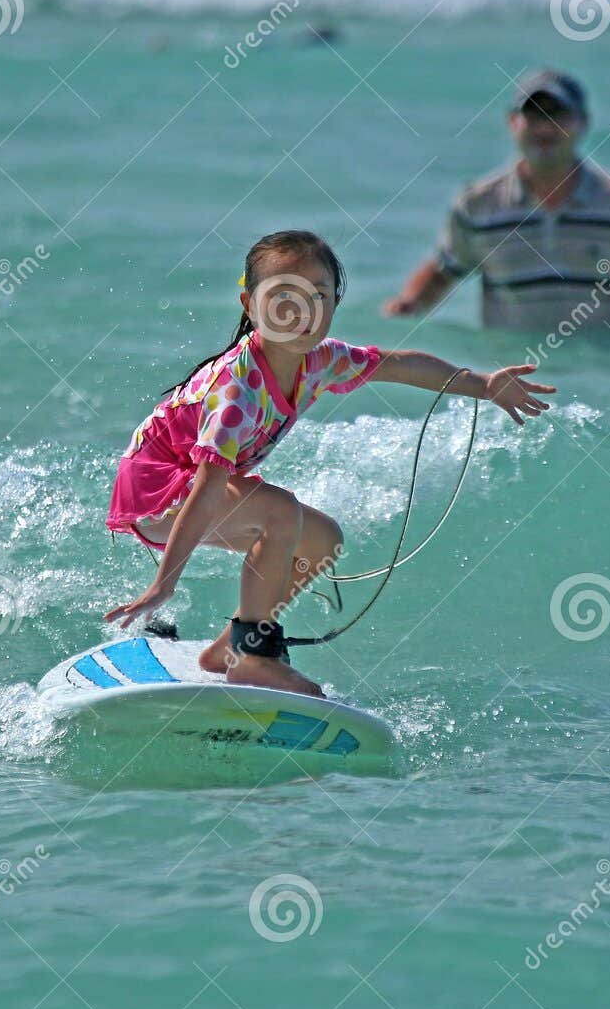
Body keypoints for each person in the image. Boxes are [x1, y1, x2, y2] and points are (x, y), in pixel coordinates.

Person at [105, 230, 555, 698]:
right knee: (280, 513)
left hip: (189, 490)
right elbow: (207, 487)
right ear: (248, 302)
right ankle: (254, 661)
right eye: (283, 296)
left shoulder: (320, 361)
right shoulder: (236, 391)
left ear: (335, 302)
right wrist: (165, 583)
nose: (301, 311)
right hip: (156, 492)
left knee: (322, 540)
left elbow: (398, 364)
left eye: (318, 295)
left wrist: (482, 384)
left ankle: (234, 647)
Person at [382, 69, 610, 338]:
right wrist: (408, 306)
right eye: (535, 114)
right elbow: (444, 270)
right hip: (511, 379)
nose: (545, 127)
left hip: (602, 374)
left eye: (558, 115)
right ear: (513, 122)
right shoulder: (477, 203)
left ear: (584, 122)